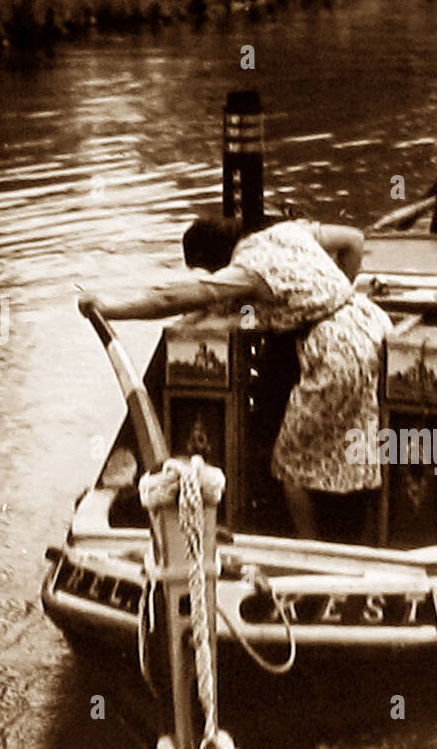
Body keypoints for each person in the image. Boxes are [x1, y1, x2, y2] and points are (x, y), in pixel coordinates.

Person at [79, 216, 392, 539]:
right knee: (357, 439)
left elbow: (170, 298)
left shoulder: (249, 270)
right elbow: (353, 240)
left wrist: (108, 307)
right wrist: (337, 291)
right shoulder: (286, 232)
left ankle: (307, 545)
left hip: (334, 350)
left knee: (291, 463)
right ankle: (366, 530)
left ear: (216, 262)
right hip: (368, 326)